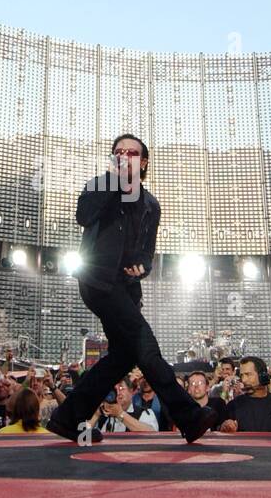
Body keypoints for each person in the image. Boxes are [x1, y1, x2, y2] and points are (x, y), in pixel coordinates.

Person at [46, 134, 217, 445]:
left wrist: (142, 266)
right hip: (98, 282)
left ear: (145, 162)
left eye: (132, 153)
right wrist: (113, 181)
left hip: (127, 289)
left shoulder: (151, 204)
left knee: (124, 356)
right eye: (118, 152)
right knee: (145, 344)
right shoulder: (99, 185)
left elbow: (146, 252)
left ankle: (68, 417)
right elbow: (83, 216)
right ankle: (189, 418)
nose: (124, 156)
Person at [220, 357, 271, 433]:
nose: (244, 380)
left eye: (248, 375)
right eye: (242, 375)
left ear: (263, 376)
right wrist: (225, 428)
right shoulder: (233, 406)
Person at [88, 379, 158, 433]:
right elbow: (82, 437)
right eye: (114, 390)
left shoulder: (144, 413)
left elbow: (152, 434)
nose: (117, 393)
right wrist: (96, 415)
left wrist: (120, 414)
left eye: (121, 388)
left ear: (131, 391)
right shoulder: (104, 415)